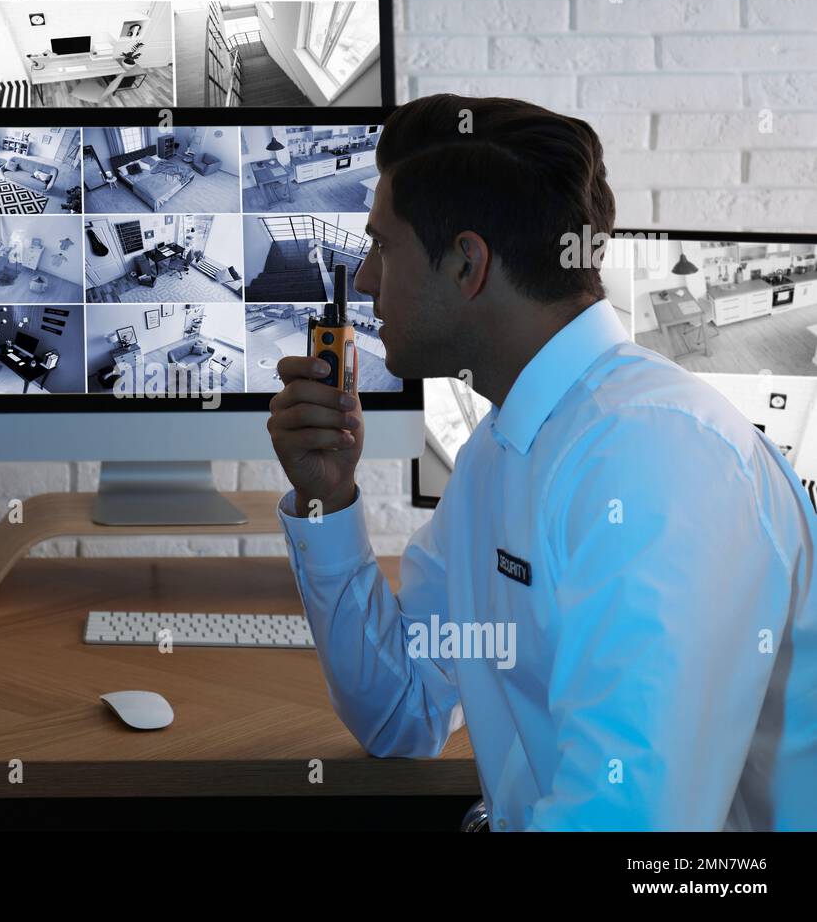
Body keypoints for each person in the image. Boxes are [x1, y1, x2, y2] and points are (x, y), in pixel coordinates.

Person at [267, 93, 817, 831]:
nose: (365, 280)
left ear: (468, 263)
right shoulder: (502, 450)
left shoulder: (655, 460)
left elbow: (631, 832)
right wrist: (328, 500)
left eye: (382, 246)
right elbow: (402, 708)